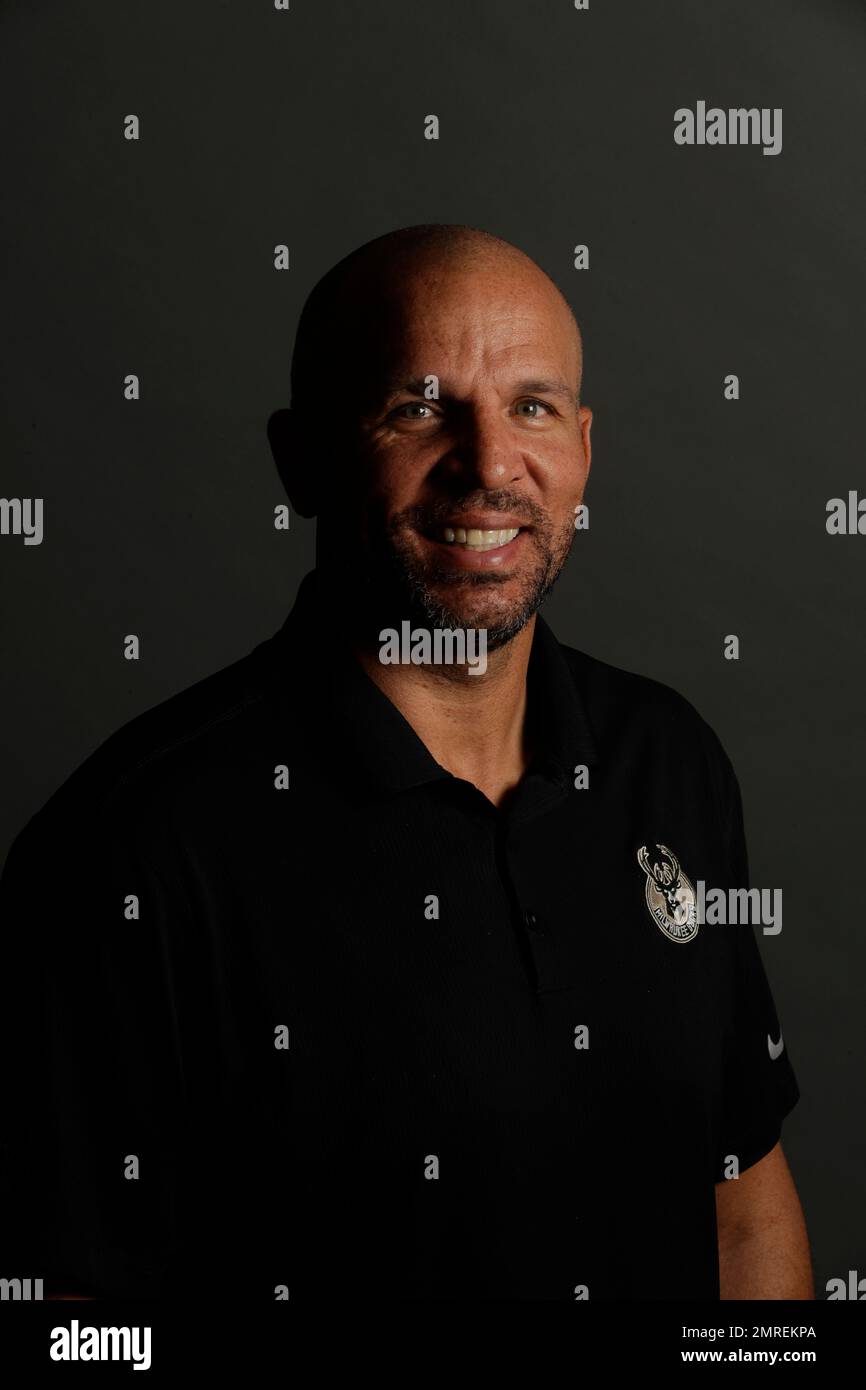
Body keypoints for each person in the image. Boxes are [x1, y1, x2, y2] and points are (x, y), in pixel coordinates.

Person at [0, 224, 811, 1300]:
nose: (487, 465)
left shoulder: (666, 761)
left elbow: (740, 1201)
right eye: (418, 408)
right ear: (302, 461)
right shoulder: (132, 852)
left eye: (530, 407)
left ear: (581, 447)